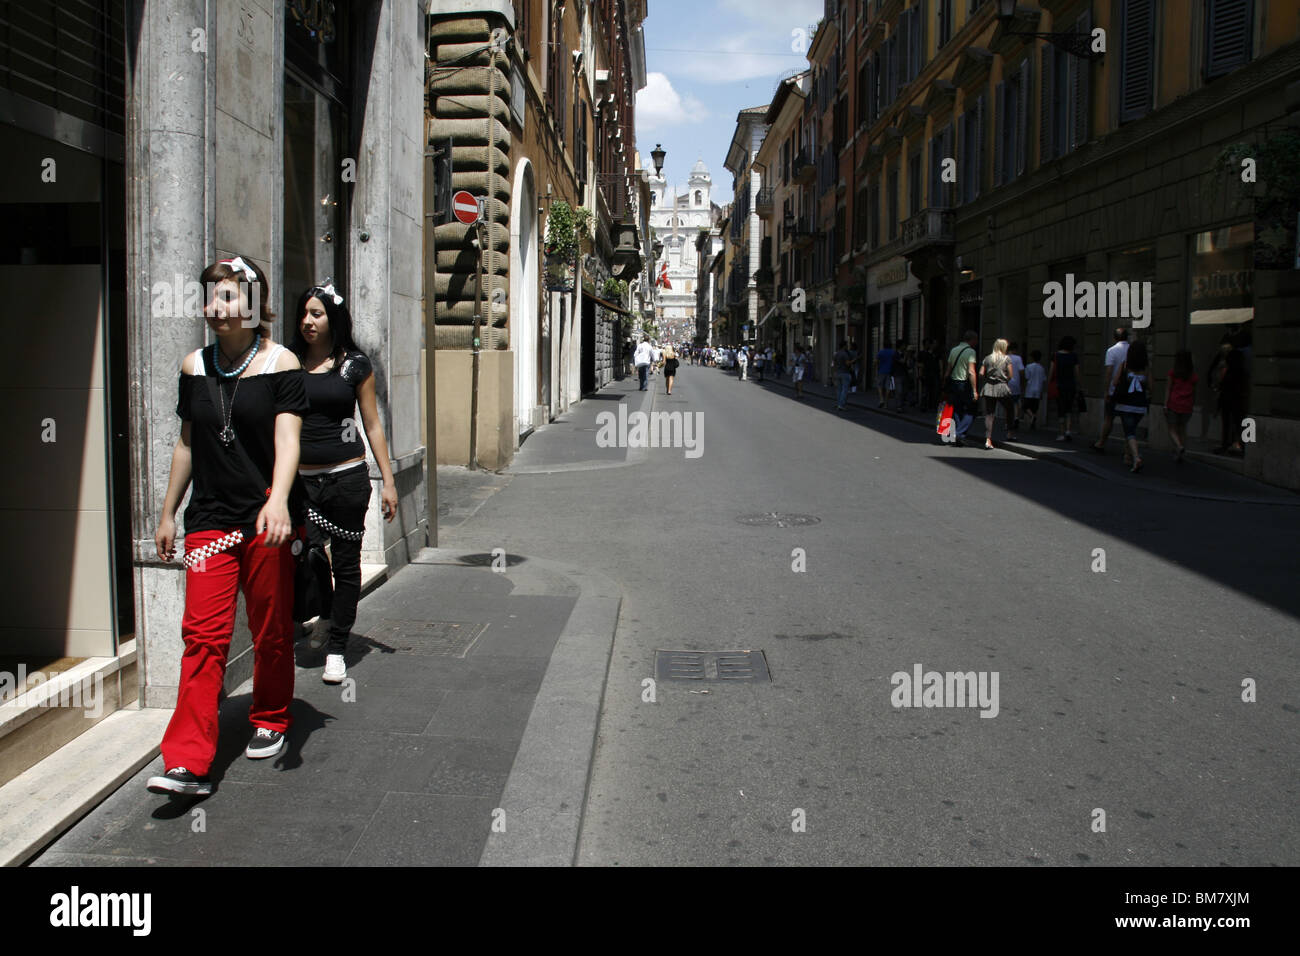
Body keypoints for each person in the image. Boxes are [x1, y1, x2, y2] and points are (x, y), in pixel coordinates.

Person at [147, 256, 307, 798]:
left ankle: (272, 715)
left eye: (229, 296)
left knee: (270, 628)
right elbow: (189, 443)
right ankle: (186, 761)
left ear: (256, 304)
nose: (217, 307)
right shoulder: (195, 366)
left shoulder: (282, 363)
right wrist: (169, 511)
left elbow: (288, 441)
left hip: (266, 517)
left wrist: (280, 500)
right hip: (210, 521)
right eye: (211, 295)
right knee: (202, 637)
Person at [289, 282, 397, 684]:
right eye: (303, 314)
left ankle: (337, 646)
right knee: (307, 554)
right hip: (300, 484)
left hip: (346, 479)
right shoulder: (288, 361)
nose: (307, 322)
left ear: (332, 319)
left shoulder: (355, 365)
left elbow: (371, 423)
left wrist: (388, 479)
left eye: (315, 314)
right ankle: (326, 612)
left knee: (348, 566)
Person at [1113, 340, 1151, 473]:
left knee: (1129, 432)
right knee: (1131, 430)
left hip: (1125, 404)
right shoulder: (1145, 368)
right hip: (1140, 405)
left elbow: (1115, 381)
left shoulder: (1125, 365)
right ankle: (1127, 456)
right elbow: (1150, 385)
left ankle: (1136, 457)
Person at [1092, 328, 1130, 453]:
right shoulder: (1132, 350)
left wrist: (1107, 391)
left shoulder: (1112, 351)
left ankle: (1101, 443)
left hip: (1114, 390)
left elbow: (1109, 372)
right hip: (1129, 390)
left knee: (1109, 418)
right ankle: (1128, 448)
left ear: (1114, 338)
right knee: (1127, 421)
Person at [978, 338, 1016, 449]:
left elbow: (981, 373)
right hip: (1002, 387)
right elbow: (1010, 375)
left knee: (989, 414)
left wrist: (987, 379)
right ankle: (1009, 433)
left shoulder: (987, 358)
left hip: (989, 387)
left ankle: (988, 439)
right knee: (1010, 409)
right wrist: (1004, 379)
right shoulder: (1006, 359)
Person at [1215, 335, 1249, 456]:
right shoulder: (1242, 371)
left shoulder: (1228, 369)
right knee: (1239, 423)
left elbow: (1221, 382)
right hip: (1238, 398)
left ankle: (1227, 445)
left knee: (1228, 423)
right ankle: (1241, 445)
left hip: (1228, 399)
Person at [944, 331, 979, 444]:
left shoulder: (954, 350)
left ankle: (958, 435)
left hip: (953, 384)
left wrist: (944, 385)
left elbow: (948, 370)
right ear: (972, 340)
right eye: (976, 340)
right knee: (971, 410)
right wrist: (974, 390)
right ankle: (959, 433)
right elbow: (971, 372)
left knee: (957, 409)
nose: (977, 343)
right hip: (964, 384)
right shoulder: (971, 352)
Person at [1165, 349, 1197, 463]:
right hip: (1187, 404)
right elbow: (1194, 390)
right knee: (1182, 428)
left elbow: (1168, 389)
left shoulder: (1173, 373)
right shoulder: (1192, 375)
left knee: (1172, 428)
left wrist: (1165, 404)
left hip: (1174, 403)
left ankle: (1179, 446)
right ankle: (1180, 454)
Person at [1049, 336, 1080, 441]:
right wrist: (1078, 384)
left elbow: (1052, 370)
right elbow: (1077, 372)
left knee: (1060, 408)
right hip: (1071, 386)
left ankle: (1061, 432)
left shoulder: (1055, 355)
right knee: (1069, 409)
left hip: (1059, 386)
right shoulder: (1073, 356)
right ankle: (1068, 430)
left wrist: (1049, 382)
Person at [1022, 350, 1047, 431]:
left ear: (1032, 358)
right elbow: (1043, 380)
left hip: (1030, 389)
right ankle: (1033, 422)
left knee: (1025, 406)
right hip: (1038, 389)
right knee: (1034, 407)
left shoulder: (1029, 366)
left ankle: (1032, 416)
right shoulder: (1042, 368)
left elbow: (1026, 377)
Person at [1005, 341, 1025, 438]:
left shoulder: (1004, 358)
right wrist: (1022, 383)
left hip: (1006, 383)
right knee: (1016, 402)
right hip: (1016, 383)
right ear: (1015, 349)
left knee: (1007, 404)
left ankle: (1007, 422)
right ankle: (1016, 417)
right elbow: (1021, 371)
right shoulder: (1018, 358)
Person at [876, 339, 899, 409]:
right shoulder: (893, 352)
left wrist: (875, 371)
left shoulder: (881, 352)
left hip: (881, 371)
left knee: (879, 386)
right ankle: (886, 404)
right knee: (887, 387)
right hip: (890, 372)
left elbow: (876, 362)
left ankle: (881, 399)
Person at [833, 339, 855, 410]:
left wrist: (833, 373)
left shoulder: (836, 353)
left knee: (839, 389)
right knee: (844, 390)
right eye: (846, 345)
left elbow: (834, 364)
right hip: (845, 373)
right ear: (844, 346)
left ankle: (838, 403)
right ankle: (841, 405)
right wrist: (854, 360)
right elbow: (847, 363)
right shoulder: (844, 354)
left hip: (838, 373)